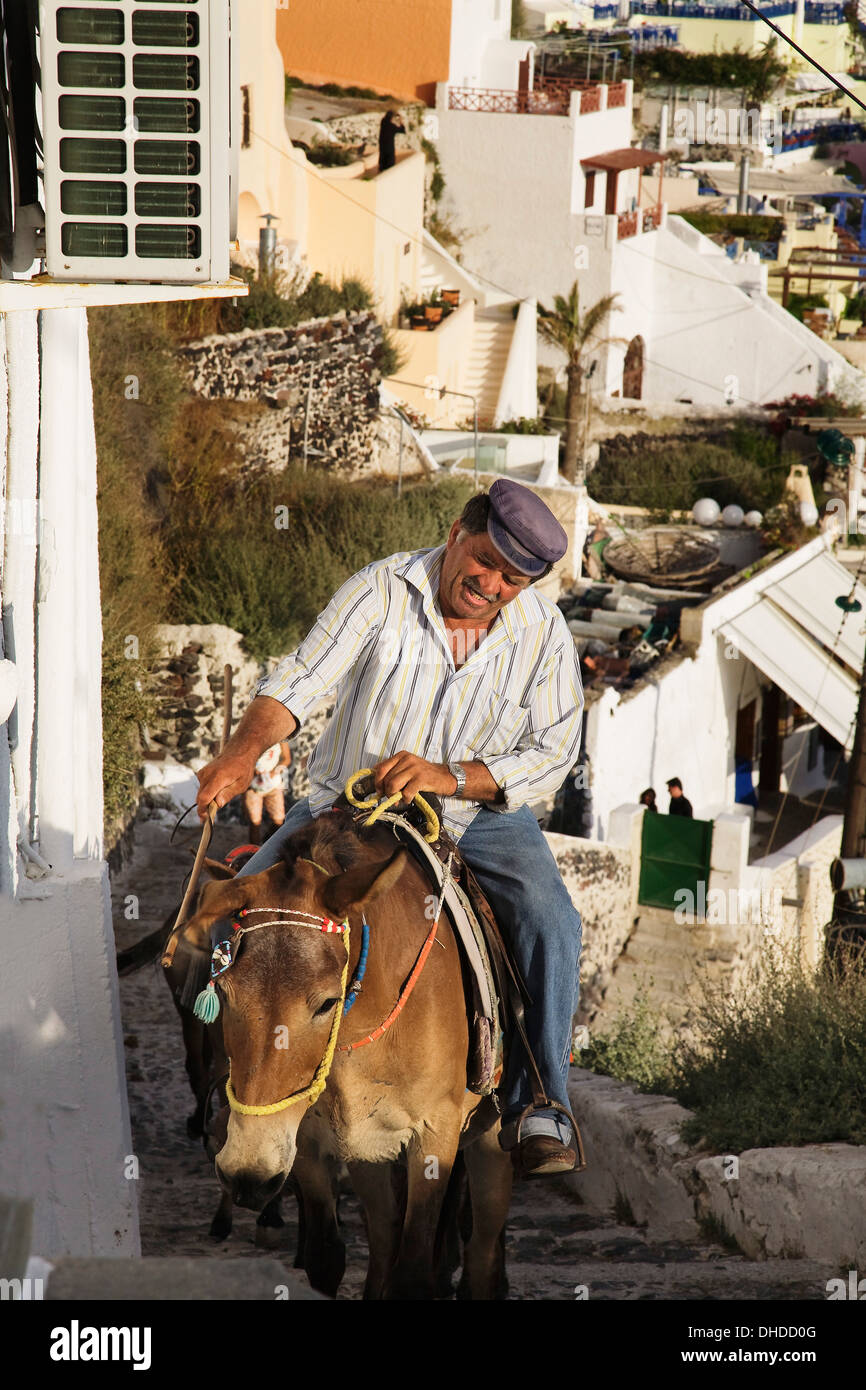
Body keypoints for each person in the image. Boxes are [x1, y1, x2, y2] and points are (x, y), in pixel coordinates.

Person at [196, 481, 584, 1178]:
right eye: (486, 562)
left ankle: (540, 1100)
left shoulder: (543, 633)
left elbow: (553, 753)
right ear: (459, 529)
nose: (492, 585)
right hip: (351, 809)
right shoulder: (380, 590)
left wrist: (450, 776)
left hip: (479, 818)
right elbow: (300, 682)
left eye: (512, 579)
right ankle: (231, 1092)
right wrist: (243, 751)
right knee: (233, 917)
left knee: (552, 918)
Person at [244, 740, 291, 846]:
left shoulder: (282, 737)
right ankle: (254, 852)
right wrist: (253, 771)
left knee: (278, 820)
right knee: (254, 822)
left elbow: (287, 759)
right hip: (253, 786)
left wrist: (273, 773)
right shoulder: (252, 736)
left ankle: (268, 844)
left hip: (274, 786)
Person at [378, 109, 405, 173]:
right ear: (392, 117)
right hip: (389, 148)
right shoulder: (392, 127)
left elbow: (385, 119)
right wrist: (400, 120)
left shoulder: (383, 122)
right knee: (389, 166)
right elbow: (402, 130)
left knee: (382, 164)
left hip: (382, 147)